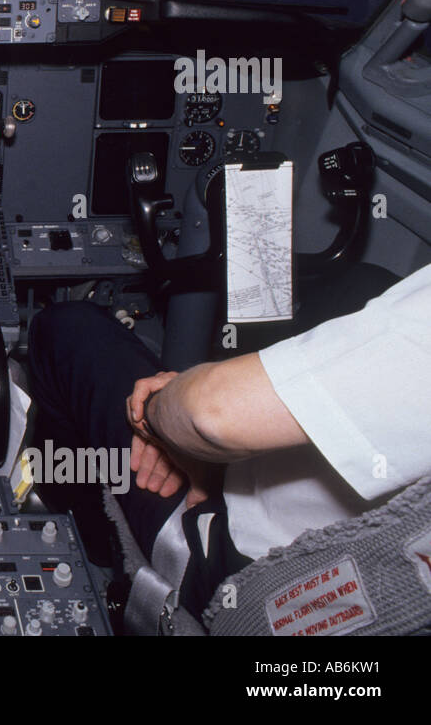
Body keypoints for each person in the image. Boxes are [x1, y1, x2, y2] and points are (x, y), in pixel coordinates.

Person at [26, 262, 431, 617]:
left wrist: (160, 413)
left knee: (66, 326)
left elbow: (208, 413)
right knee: (365, 281)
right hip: (353, 555)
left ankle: (92, 541)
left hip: (248, 567)